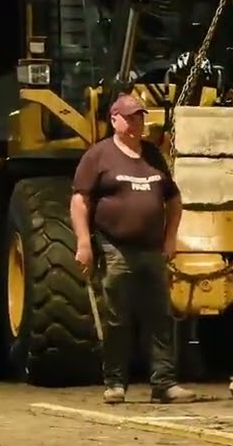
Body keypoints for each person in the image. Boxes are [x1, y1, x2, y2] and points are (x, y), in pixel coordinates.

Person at [71, 93, 195, 405]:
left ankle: (164, 384)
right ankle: (115, 383)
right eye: (130, 117)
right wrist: (84, 242)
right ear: (114, 119)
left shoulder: (153, 155)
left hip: (152, 250)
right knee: (117, 317)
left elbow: (173, 200)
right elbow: (80, 200)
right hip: (115, 248)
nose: (136, 122)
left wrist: (170, 238)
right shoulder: (98, 156)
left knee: (160, 316)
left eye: (140, 116)